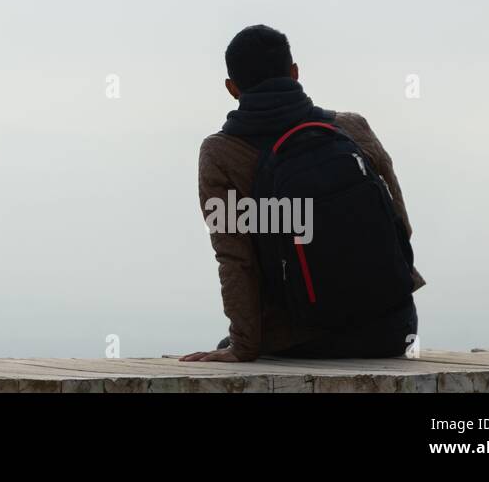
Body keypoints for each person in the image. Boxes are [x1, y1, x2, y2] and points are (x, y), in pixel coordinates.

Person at [179, 24, 424, 362]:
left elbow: (235, 259)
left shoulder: (221, 154)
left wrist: (242, 347)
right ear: (295, 72)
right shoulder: (352, 128)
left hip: (300, 338)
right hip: (393, 330)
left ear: (232, 88)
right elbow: (400, 226)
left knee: (229, 345)